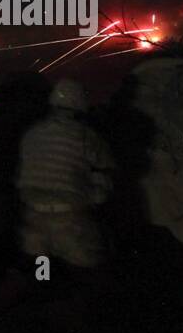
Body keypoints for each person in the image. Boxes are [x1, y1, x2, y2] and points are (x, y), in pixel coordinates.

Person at [15, 78, 115, 268]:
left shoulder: (32, 133)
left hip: (32, 214)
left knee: (40, 272)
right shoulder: (84, 135)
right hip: (70, 216)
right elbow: (105, 165)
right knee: (88, 269)